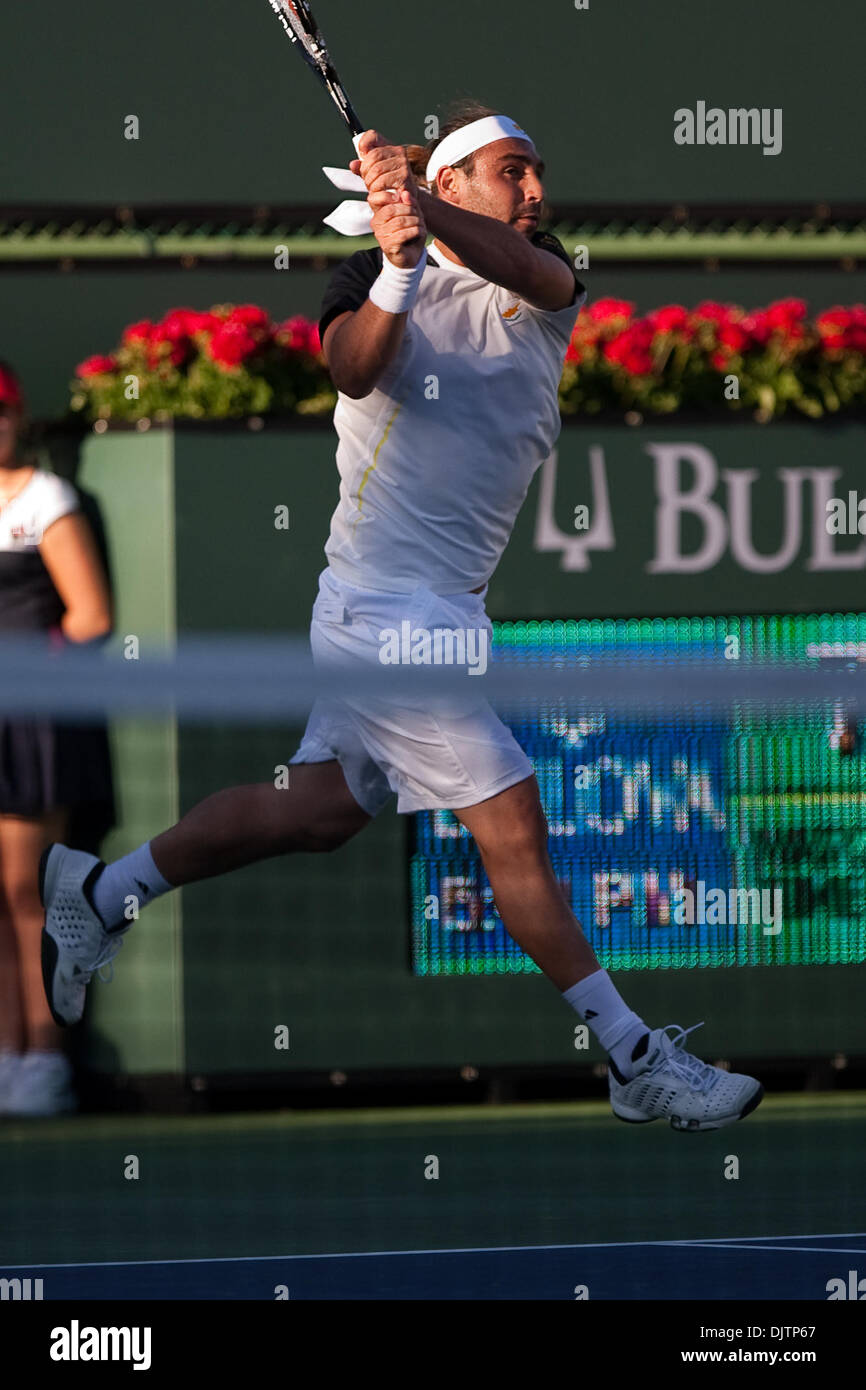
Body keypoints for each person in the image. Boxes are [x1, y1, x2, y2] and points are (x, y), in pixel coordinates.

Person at [40, 101, 762, 1132]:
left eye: (533, 173)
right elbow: (350, 367)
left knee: (319, 810)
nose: (534, 192)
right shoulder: (361, 281)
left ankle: (101, 892)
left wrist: (418, 206)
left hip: (441, 610)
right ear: (468, 180)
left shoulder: (538, 266)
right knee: (509, 815)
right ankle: (630, 1054)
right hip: (383, 615)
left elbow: (541, 277)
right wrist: (393, 259)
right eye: (512, 172)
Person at [0, 361, 114, 1116]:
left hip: (32, 722)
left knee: (22, 892)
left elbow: (90, 619)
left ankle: (46, 1059)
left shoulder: (48, 499)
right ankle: (8, 1055)